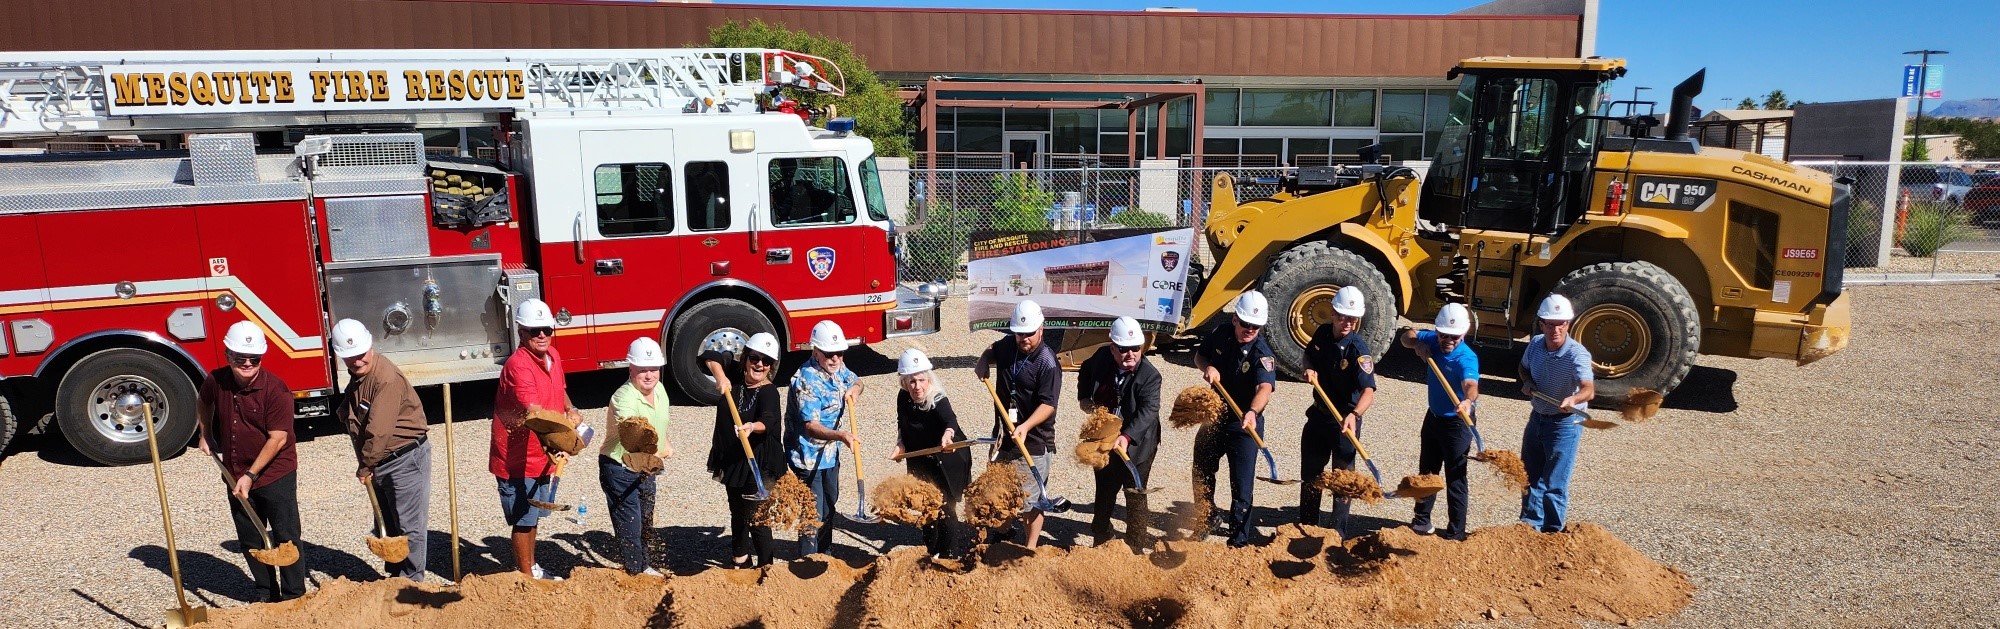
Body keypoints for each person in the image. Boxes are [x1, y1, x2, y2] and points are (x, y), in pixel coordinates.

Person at [196, 321, 305, 601]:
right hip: (235, 472)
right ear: (227, 354)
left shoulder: (276, 391)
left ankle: (295, 595)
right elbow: (204, 401)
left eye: (253, 358)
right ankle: (266, 593)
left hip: (273, 475)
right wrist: (205, 433)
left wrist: (251, 475)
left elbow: (278, 438)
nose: (247, 363)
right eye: (239, 357)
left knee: (286, 536)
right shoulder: (216, 380)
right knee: (251, 538)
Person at [330, 319, 432, 582]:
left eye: (360, 355)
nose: (356, 361)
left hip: (404, 457)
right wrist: (345, 408)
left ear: (371, 346)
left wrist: (366, 466)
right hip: (382, 460)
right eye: (349, 357)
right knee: (388, 520)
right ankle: (396, 575)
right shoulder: (361, 374)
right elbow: (361, 401)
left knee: (409, 525)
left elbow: (379, 432)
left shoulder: (386, 378)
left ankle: (411, 582)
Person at [491, 298, 580, 580]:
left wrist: (570, 408)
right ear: (521, 331)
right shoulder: (518, 366)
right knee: (523, 520)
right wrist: (568, 436)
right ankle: (526, 577)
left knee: (534, 517)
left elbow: (560, 388)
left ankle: (531, 567)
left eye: (546, 329)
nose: (542, 335)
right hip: (518, 458)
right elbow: (536, 414)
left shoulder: (552, 356)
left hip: (541, 453)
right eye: (534, 330)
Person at [972, 300, 1062, 549]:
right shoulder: (1009, 345)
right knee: (1000, 490)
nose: (1023, 339)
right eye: (1019, 333)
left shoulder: (1047, 363)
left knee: (1029, 500)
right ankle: (1004, 534)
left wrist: (1026, 426)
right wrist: (983, 359)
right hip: (1004, 435)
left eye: (1029, 334)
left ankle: (1030, 547)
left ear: (1041, 329)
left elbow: (1048, 404)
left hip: (1033, 440)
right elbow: (993, 348)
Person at [1193, 290, 1278, 548]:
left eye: (1255, 326)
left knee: (1241, 485)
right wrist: (1207, 367)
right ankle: (1206, 519)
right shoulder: (1220, 333)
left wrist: (1252, 412)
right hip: (1215, 415)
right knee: (1201, 470)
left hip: (1244, 424)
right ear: (1235, 320)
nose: (1249, 329)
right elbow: (1200, 356)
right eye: (1245, 324)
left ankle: (1238, 539)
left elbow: (1265, 388)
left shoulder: (1262, 354)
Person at [1077, 316, 1162, 552]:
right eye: (1124, 349)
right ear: (1113, 347)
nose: (1131, 354)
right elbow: (1085, 370)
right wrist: (1084, 398)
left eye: (1136, 348)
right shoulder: (1102, 357)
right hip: (1105, 439)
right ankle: (1101, 536)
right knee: (1104, 490)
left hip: (1137, 445)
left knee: (1134, 492)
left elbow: (1149, 411)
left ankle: (1136, 546)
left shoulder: (1150, 376)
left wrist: (1126, 437)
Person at [704, 332, 787, 569]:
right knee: (737, 511)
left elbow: (769, 420)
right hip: (734, 458)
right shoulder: (734, 374)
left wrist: (752, 426)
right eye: (755, 358)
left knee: (758, 518)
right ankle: (740, 558)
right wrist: (720, 377)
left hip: (759, 462)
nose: (759, 364)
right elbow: (709, 355)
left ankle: (766, 566)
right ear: (745, 358)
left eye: (766, 361)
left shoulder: (769, 391)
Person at [1299, 287, 1376, 534]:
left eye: (1352, 318)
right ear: (1332, 314)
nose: (1347, 322)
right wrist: (1308, 369)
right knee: (1311, 474)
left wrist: (1355, 415)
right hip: (1319, 415)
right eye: (1342, 316)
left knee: (1342, 481)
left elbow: (1368, 392)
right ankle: (1308, 525)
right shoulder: (1322, 333)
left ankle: (1337, 533)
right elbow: (1307, 356)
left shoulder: (1359, 351)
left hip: (1345, 421)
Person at [1399, 303, 1479, 541]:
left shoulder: (1466, 358)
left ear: (1463, 335)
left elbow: (1471, 384)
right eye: (1444, 335)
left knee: (1455, 478)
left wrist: (1467, 401)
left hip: (1457, 423)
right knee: (1427, 473)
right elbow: (1406, 334)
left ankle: (1456, 532)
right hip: (1433, 417)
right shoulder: (1432, 340)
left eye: (1454, 337)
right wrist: (1417, 344)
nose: (1448, 341)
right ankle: (1422, 521)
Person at [1517, 294, 1595, 533]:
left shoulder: (1576, 354)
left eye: (1561, 324)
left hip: (1565, 424)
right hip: (1538, 417)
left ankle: (1552, 531)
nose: (1555, 329)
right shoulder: (1536, 345)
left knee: (1555, 483)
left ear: (1568, 324)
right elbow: (1523, 369)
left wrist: (1574, 399)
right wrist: (1528, 382)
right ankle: (1530, 526)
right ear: (1541, 324)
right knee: (1530, 477)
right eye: (1550, 324)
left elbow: (1588, 389)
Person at [787, 320, 863, 556]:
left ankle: (825, 555)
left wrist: (855, 390)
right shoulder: (806, 381)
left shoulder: (839, 368)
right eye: (829, 354)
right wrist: (840, 435)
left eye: (839, 354)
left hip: (830, 454)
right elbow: (811, 427)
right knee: (813, 511)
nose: (835, 359)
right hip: (807, 455)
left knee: (830, 504)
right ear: (816, 352)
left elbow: (858, 381)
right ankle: (808, 558)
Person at [601, 337, 674, 577]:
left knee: (645, 520)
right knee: (630, 523)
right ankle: (636, 572)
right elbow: (633, 434)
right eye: (643, 369)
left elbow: (658, 423)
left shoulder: (660, 390)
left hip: (646, 467)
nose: (649, 374)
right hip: (620, 467)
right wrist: (656, 449)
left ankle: (644, 566)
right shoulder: (624, 398)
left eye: (653, 369)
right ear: (630, 368)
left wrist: (665, 441)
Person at [889, 348, 972, 559]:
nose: (917, 387)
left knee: (945, 507)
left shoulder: (938, 399)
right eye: (912, 381)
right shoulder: (903, 397)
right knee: (925, 505)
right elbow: (902, 424)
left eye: (921, 380)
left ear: (928, 379)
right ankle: (931, 549)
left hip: (947, 455)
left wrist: (948, 435)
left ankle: (949, 554)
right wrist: (901, 445)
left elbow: (950, 421)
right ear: (904, 382)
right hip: (920, 457)